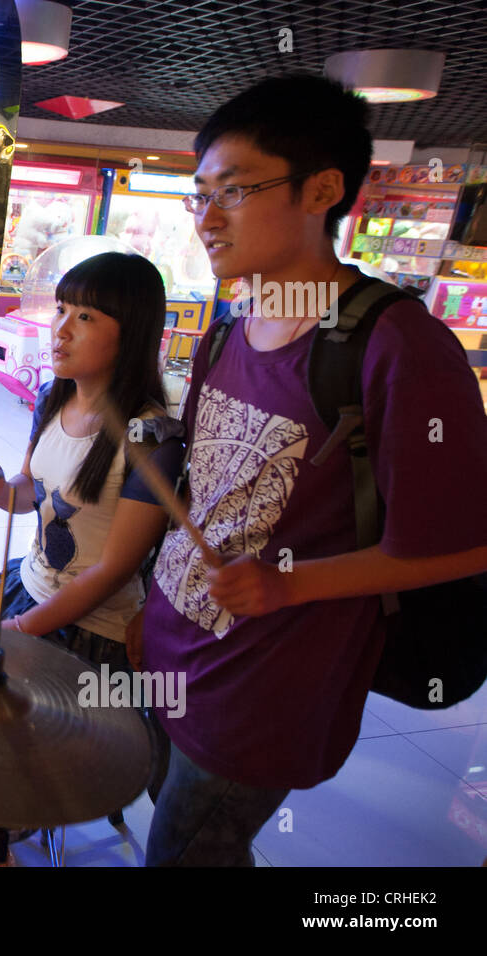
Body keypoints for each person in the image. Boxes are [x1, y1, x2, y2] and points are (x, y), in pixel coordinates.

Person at [136, 74, 487, 866]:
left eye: (234, 191)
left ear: (322, 191)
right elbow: (210, 496)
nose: (207, 219)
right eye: (199, 196)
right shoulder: (228, 329)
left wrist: (289, 586)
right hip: (174, 655)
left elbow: (466, 544)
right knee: (178, 828)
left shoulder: (397, 346)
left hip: (263, 693)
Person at [0, 252, 185, 807]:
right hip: (27, 586)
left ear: (132, 332)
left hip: (89, 627)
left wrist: (18, 631)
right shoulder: (54, 397)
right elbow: (32, 490)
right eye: (62, 309)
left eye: (86, 317)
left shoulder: (151, 438)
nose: (61, 329)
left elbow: (114, 569)